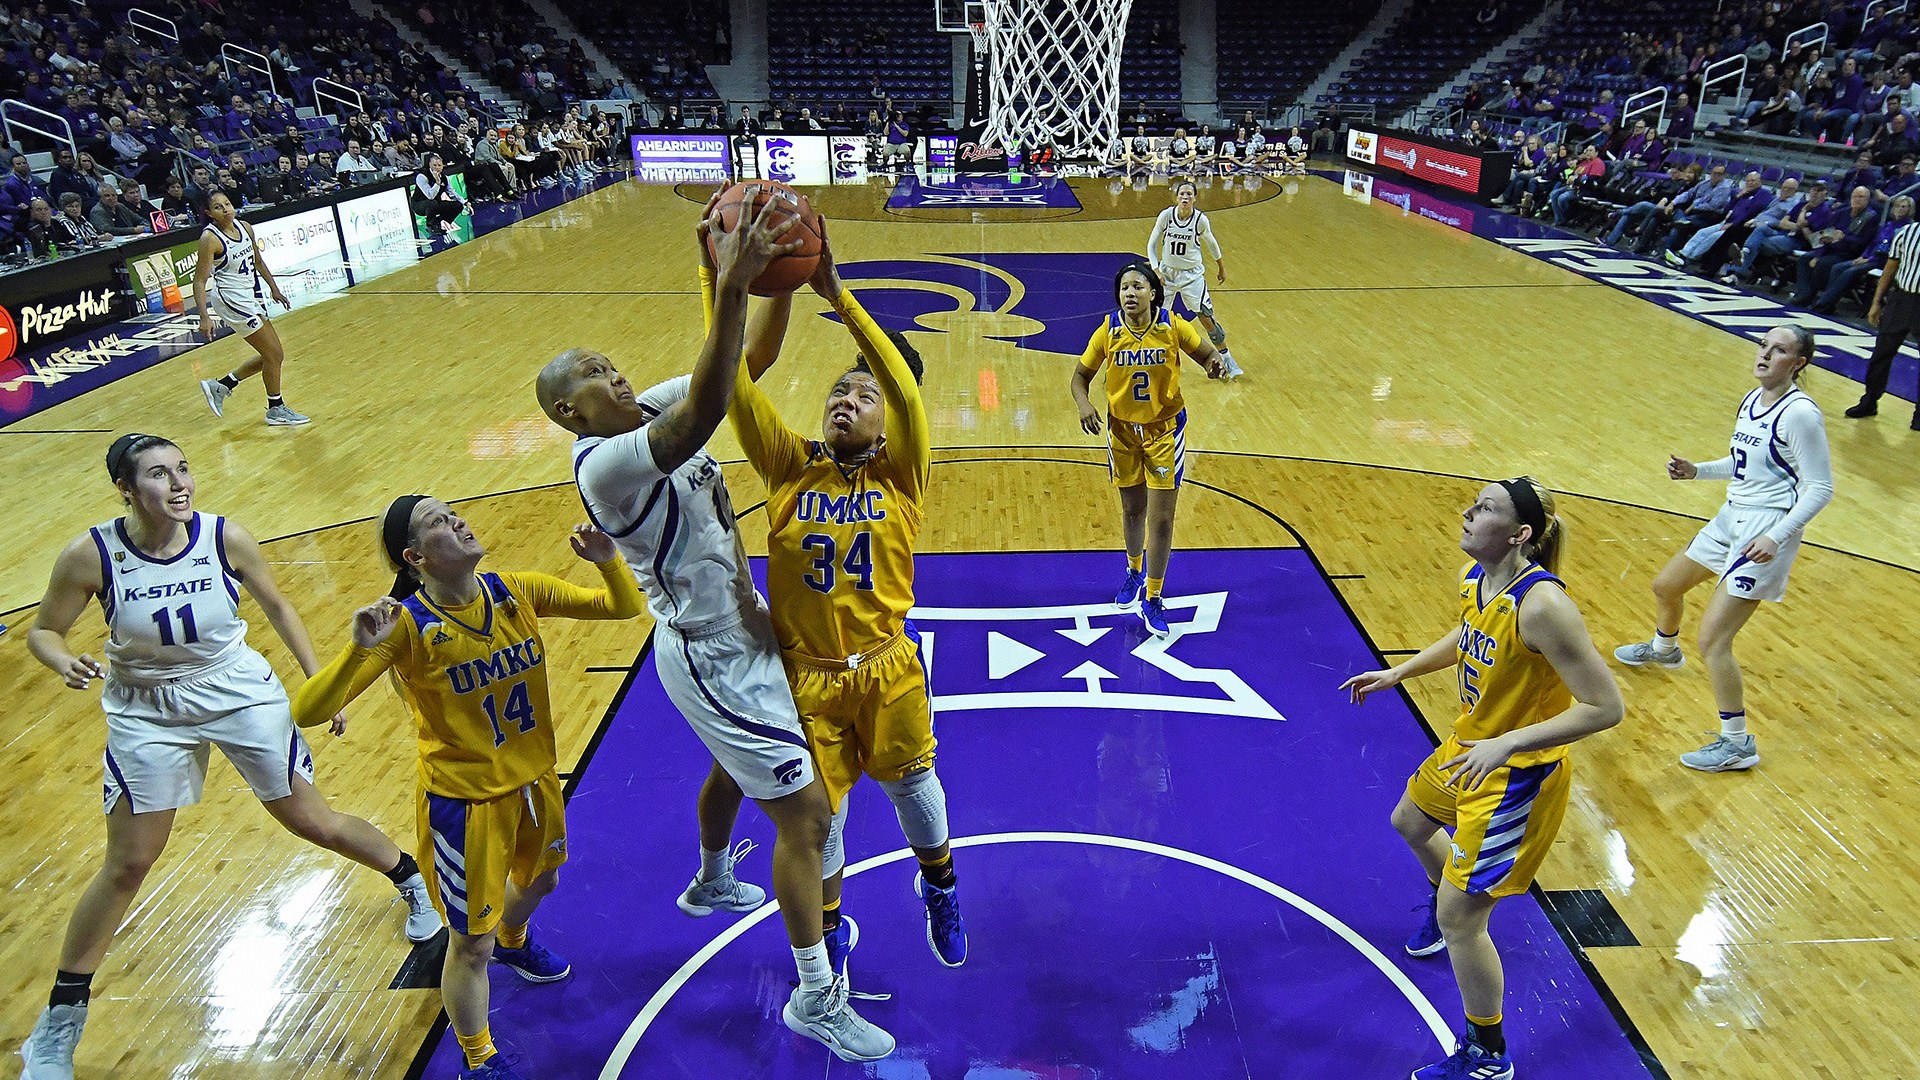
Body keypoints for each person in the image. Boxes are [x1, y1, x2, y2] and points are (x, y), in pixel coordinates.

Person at [535, 193, 892, 1062]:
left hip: (746, 626)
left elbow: (746, 361)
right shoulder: (608, 464)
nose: (611, 372)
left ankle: (709, 877)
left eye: (609, 361)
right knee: (809, 818)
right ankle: (816, 997)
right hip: (709, 654)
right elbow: (702, 414)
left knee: (737, 769)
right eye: (591, 372)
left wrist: (787, 274)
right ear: (569, 414)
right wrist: (724, 277)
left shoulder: (652, 406)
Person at [15, 434, 438, 1080]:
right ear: (126, 490)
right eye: (159, 474)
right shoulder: (92, 554)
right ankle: (57, 1027)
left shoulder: (222, 536)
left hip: (235, 687)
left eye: (183, 468)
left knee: (311, 821)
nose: (180, 482)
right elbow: (42, 630)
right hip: (146, 706)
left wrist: (323, 683)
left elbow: (279, 604)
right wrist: (61, 660)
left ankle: (410, 879)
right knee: (129, 863)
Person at [290, 501, 642, 1080]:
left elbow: (623, 607)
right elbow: (308, 710)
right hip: (465, 804)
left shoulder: (514, 591)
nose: (456, 522)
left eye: (454, 513)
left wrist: (608, 562)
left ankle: (514, 936)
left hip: (534, 781)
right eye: (437, 522)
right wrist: (357, 647)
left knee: (543, 879)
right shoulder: (403, 625)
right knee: (468, 943)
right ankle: (479, 1059)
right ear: (416, 557)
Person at [728, 217, 975, 983]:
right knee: (819, 825)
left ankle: (940, 888)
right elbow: (732, 382)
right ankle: (830, 930)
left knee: (918, 794)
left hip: (887, 666)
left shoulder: (903, 473)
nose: (849, 399)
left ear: (885, 420)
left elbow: (902, 381)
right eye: (839, 390)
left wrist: (837, 293)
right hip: (806, 675)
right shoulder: (786, 465)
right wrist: (728, 283)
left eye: (863, 395)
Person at [1342, 476, 1623, 1080]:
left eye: (1486, 508)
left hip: (1518, 772)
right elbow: (1467, 637)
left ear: (1520, 534)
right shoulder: (1481, 581)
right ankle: (1448, 908)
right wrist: (1401, 673)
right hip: (1473, 747)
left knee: (1462, 917)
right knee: (1410, 821)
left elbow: (1605, 707)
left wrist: (1509, 742)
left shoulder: (1543, 606)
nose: (1468, 513)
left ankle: (1488, 1058)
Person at [1613, 326, 1834, 771]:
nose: (1766, 355)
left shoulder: (1800, 415)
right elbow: (1743, 463)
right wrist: (1698, 471)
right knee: (1666, 586)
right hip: (1731, 517)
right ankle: (1664, 648)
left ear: (1799, 363)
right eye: (1764, 346)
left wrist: (1777, 536)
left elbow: (1820, 487)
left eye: (1780, 350)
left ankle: (1737, 742)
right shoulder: (1752, 401)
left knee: (1714, 641)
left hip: (1767, 531)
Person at [1070, 259, 1226, 637]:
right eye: (1125, 288)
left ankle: (1153, 597)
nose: (1130, 294)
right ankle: (1134, 572)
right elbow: (1079, 377)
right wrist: (1085, 405)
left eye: (1138, 286)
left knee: (1160, 518)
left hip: (1163, 432)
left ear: (1153, 292)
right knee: (1131, 509)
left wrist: (1214, 363)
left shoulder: (1173, 326)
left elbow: (1207, 355)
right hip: (1122, 431)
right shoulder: (1108, 330)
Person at [194, 192, 309, 427]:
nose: (226, 209)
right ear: (209, 214)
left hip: (247, 296)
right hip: (230, 299)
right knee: (274, 354)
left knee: (273, 354)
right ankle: (275, 409)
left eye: (227, 203)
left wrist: (274, 289)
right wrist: (204, 316)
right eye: (218, 207)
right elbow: (199, 280)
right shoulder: (210, 239)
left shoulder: (245, 227)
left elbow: (257, 260)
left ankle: (223, 385)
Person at [1149, 180, 1243, 378]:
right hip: (1167, 274)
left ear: (1194, 198)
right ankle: (1154, 361)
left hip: (1191, 275)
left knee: (1206, 318)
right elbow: (1151, 244)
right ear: (1176, 196)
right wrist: (1157, 270)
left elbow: (1212, 243)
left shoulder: (1200, 220)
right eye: (1182, 194)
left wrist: (1221, 267)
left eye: (1189, 194)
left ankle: (1228, 359)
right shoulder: (1166, 216)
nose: (1185, 197)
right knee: (1158, 320)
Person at [1850, 212, 1920, 427]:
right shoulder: (1907, 232)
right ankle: (1869, 400)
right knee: (1881, 353)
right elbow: (1890, 268)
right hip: (1901, 299)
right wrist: (1876, 302)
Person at [411, 153, 471, 242]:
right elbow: (430, 196)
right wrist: (437, 183)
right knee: (432, 203)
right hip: (419, 205)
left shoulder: (444, 177)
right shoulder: (422, 176)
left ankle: (438, 223)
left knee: (457, 206)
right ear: (430, 165)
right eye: (434, 165)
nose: (437, 167)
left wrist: (465, 202)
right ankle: (430, 225)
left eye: (439, 165)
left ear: (443, 166)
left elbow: (452, 193)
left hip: (435, 204)